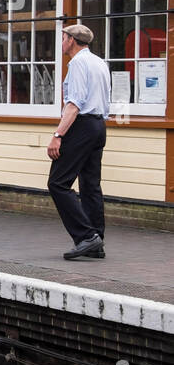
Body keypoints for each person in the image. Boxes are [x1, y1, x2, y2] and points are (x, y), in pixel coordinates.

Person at [47, 24, 111, 260]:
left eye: (63, 38)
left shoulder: (77, 64)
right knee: (90, 185)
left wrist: (58, 136)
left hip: (81, 126)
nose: (61, 43)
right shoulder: (99, 62)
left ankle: (86, 237)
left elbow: (73, 104)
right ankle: (97, 242)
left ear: (72, 40)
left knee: (57, 183)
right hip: (98, 126)